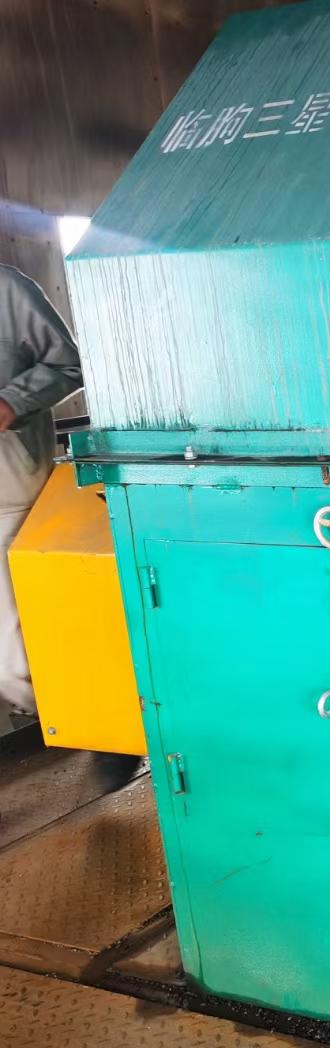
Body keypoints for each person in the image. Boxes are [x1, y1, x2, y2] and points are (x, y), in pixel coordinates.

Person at [0, 265, 84, 719]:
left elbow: (69, 363)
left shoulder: (8, 289)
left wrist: (11, 402)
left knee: (16, 650)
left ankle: (73, 717)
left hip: (13, 495)